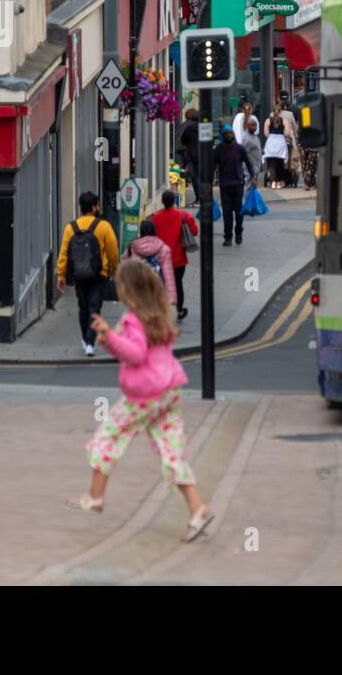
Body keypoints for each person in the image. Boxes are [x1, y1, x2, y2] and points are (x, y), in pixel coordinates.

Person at [67, 258, 214, 542]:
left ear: (129, 290)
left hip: (144, 395)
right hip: (167, 392)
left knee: (108, 437)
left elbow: (135, 354)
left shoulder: (134, 319)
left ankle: (96, 497)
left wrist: (110, 336)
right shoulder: (159, 315)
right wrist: (109, 340)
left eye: (120, 285)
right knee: (170, 450)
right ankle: (197, 508)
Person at [57, 191, 121, 357]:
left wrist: (61, 275)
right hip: (99, 274)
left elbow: (64, 252)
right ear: (93, 207)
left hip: (78, 274)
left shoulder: (70, 228)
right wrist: (115, 270)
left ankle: (86, 339)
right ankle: (90, 342)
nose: (98, 207)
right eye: (97, 205)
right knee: (95, 307)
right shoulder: (104, 226)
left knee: (83, 307)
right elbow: (113, 251)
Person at [151, 190, 199, 321]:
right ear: (174, 201)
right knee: (178, 284)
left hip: (161, 258)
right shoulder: (183, 215)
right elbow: (194, 232)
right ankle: (179, 310)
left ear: (162, 202)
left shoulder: (155, 217)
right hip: (178, 259)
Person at [123, 218, 177, 313]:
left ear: (141, 231)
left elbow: (124, 268)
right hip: (157, 291)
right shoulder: (164, 249)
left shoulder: (132, 247)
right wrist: (171, 299)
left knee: (138, 320)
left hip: (137, 291)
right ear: (154, 231)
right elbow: (168, 275)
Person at [213, 127, 255, 247]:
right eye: (225, 134)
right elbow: (212, 165)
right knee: (227, 213)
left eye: (230, 133)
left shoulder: (240, 149)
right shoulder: (218, 150)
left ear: (233, 134)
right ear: (222, 135)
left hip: (237, 184)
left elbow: (248, 163)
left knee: (238, 212)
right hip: (224, 185)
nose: (228, 135)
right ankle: (227, 237)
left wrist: (253, 177)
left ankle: (238, 232)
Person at [178, 108, 200, 207]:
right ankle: (203, 198)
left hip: (191, 156)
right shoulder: (204, 127)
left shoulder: (187, 128)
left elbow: (183, 140)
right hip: (203, 156)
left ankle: (198, 198)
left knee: (195, 178)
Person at [263, 109, 291, 188]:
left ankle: (273, 182)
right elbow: (287, 133)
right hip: (281, 143)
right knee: (280, 162)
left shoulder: (268, 121)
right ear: (280, 112)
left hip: (271, 143)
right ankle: (279, 181)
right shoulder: (284, 121)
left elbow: (266, 134)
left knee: (271, 162)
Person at [243, 115, 264, 191]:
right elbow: (243, 153)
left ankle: (252, 201)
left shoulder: (255, 137)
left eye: (255, 125)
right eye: (251, 125)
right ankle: (248, 201)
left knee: (254, 187)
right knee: (249, 186)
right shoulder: (246, 139)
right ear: (247, 126)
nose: (254, 127)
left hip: (256, 166)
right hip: (250, 167)